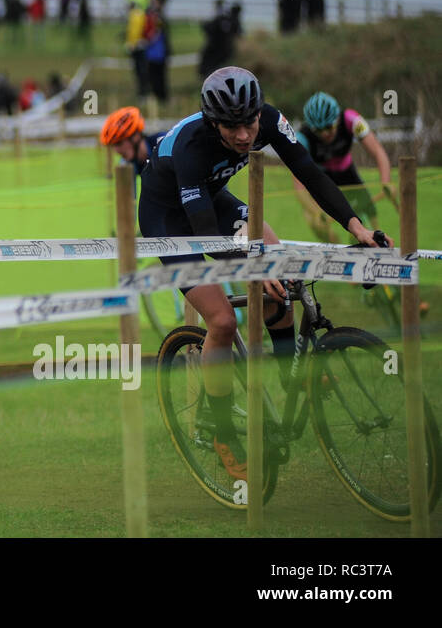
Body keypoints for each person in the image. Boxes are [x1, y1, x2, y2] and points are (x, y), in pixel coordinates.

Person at [139, 67, 386, 481]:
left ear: (258, 112)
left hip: (212, 199)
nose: (243, 136)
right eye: (231, 128)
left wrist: (356, 227)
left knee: (279, 269)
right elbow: (205, 234)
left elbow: (310, 173)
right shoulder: (190, 146)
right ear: (213, 123)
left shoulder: (268, 119)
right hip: (170, 221)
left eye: (249, 124)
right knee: (221, 320)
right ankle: (221, 431)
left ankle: (292, 374)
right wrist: (253, 268)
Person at [291, 92, 393, 243]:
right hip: (321, 179)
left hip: (348, 176)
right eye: (318, 130)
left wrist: (385, 181)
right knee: (316, 224)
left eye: (329, 127)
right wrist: (315, 211)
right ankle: (336, 249)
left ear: (337, 119)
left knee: (371, 229)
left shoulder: (351, 120)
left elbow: (378, 151)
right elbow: (299, 185)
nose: (324, 133)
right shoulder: (302, 138)